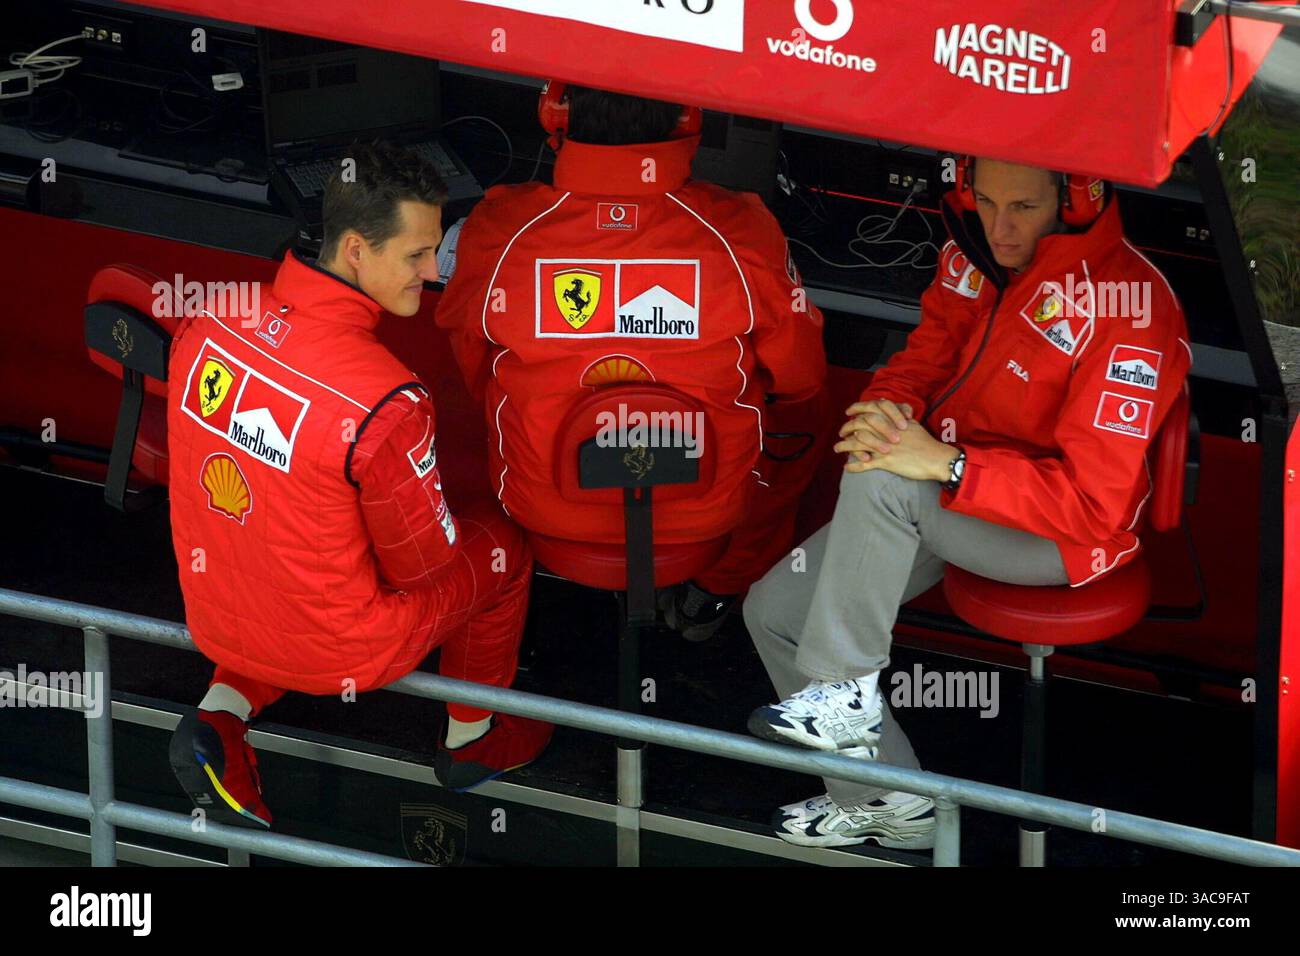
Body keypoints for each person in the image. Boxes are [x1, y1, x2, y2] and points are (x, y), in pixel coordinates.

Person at [743, 156, 1193, 849]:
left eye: (1023, 208)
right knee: (775, 613)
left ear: (1077, 200)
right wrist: (885, 410)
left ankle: (843, 692)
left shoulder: (1130, 306)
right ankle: (891, 804)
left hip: (1054, 538)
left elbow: (1092, 507)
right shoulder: (972, 255)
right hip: (949, 492)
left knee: (887, 480)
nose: (1000, 227)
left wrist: (946, 463)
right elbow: (926, 357)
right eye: (985, 201)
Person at [166, 142, 551, 830]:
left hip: (216, 615)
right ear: (353, 250)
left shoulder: (208, 317)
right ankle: (473, 737)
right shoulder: (386, 397)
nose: (433, 273)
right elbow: (424, 566)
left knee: (302, 541)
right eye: (415, 256)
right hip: (340, 650)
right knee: (502, 549)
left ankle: (221, 719)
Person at [435, 83, 830, 641]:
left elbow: (473, 366)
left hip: (542, 502)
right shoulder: (742, 229)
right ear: (689, 115)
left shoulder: (500, 227)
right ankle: (716, 592)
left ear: (554, 113)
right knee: (808, 414)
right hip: (705, 509)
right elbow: (800, 376)